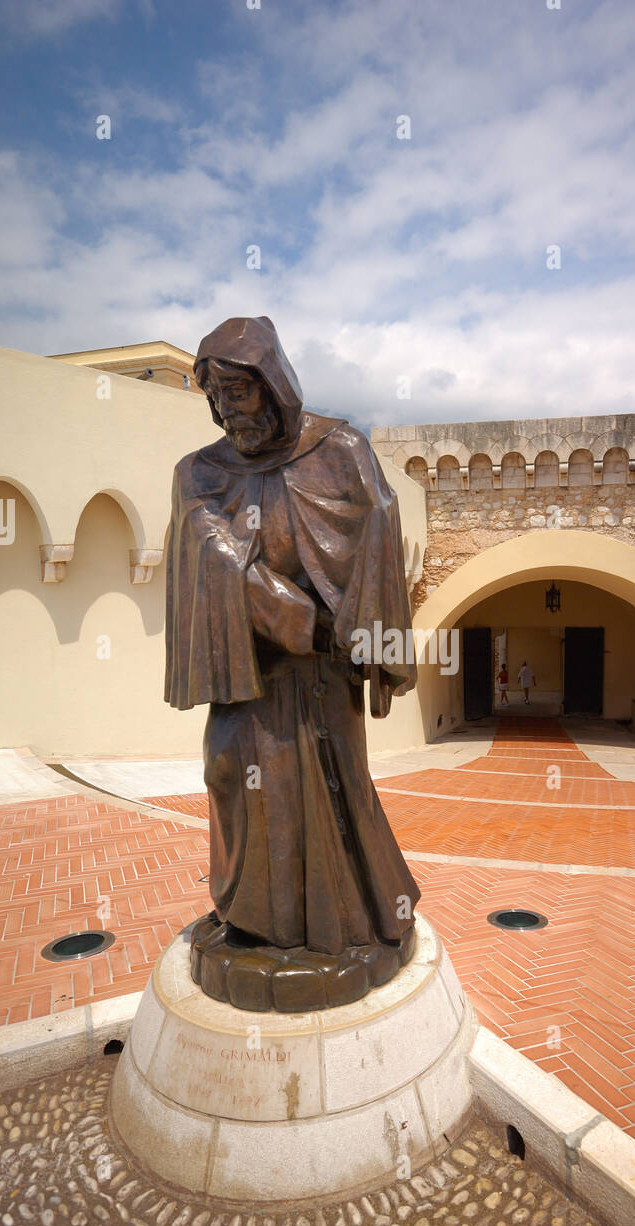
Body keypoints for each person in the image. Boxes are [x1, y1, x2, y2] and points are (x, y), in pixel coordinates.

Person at [165, 315, 419, 1011]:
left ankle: (343, 932)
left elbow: (378, 536)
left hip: (323, 676)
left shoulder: (338, 450)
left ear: (274, 386)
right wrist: (282, 609)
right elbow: (205, 548)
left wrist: (379, 649)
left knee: (329, 792)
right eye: (213, 397)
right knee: (231, 775)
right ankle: (252, 920)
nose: (225, 412)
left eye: (237, 394)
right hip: (250, 673)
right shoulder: (202, 471)